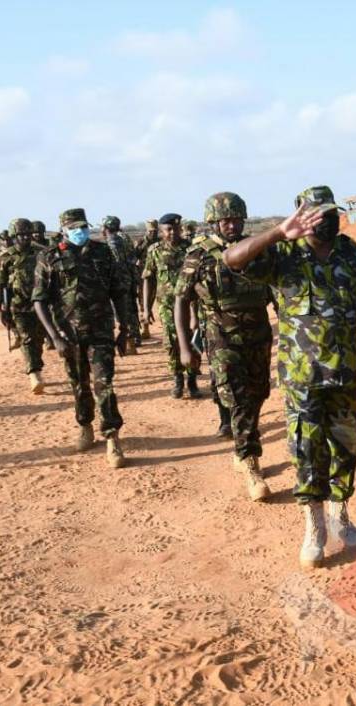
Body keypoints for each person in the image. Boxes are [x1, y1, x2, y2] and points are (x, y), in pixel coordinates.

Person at [222, 186, 356, 569]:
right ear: (301, 215)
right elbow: (232, 260)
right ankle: (314, 527)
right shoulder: (282, 255)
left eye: (331, 213)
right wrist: (279, 232)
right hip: (302, 377)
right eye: (317, 214)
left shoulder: (350, 253)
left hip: (346, 374)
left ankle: (340, 518)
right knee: (307, 450)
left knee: (348, 446)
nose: (326, 221)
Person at [175, 192, 274, 501]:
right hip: (221, 335)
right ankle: (249, 459)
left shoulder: (257, 252)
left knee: (259, 392)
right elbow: (181, 299)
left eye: (236, 219)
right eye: (225, 220)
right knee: (239, 395)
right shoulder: (199, 255)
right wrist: (184, 346)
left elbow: (276, 292)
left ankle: (244, 444)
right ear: (213, 222)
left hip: (258, 333)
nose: (231, 225)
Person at [32, 208, 134, 468]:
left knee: (105, 383)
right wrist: (54, 336)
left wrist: (124, 328)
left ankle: (112, 437)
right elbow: (40, 301)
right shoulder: (49, 257)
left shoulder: (102, 253)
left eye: (83, 227)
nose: (80, 232)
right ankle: (85, 426)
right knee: (79, 384)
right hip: (69, 334)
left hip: (101, 330)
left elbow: (118, 291)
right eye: (74, 227)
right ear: (64, 229)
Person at [143, 213, 202, 398]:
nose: (173, 233)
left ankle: (192, 379)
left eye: (176, 229)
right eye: (168, 229)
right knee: (171, 342)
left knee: (194, 340)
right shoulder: (155, 251)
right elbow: (148, 279)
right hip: (167, 306)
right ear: (161, 231)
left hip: (191, 304)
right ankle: (177, 378)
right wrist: (146, 307)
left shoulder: (190, 249)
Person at [0, 218, 47, 392]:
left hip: (41, 304)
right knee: (27, 338)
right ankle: (34, 373)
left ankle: (36, 365)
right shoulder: (6, 256)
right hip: (18, 305)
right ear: (14, 236)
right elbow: (1, 284)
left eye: (28, 234)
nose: (25, 238)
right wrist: (0, 308)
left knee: (39, 338)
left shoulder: (42, 252)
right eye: (21, 235)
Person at [102, 216, 141, 352]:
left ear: (106, 228)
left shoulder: (112, 242)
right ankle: (135, 337)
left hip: (119, 280)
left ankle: (130, 340)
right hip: (129, 276)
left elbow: (115, 264)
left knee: (122, 310)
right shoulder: (125, 238)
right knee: (131, 308)